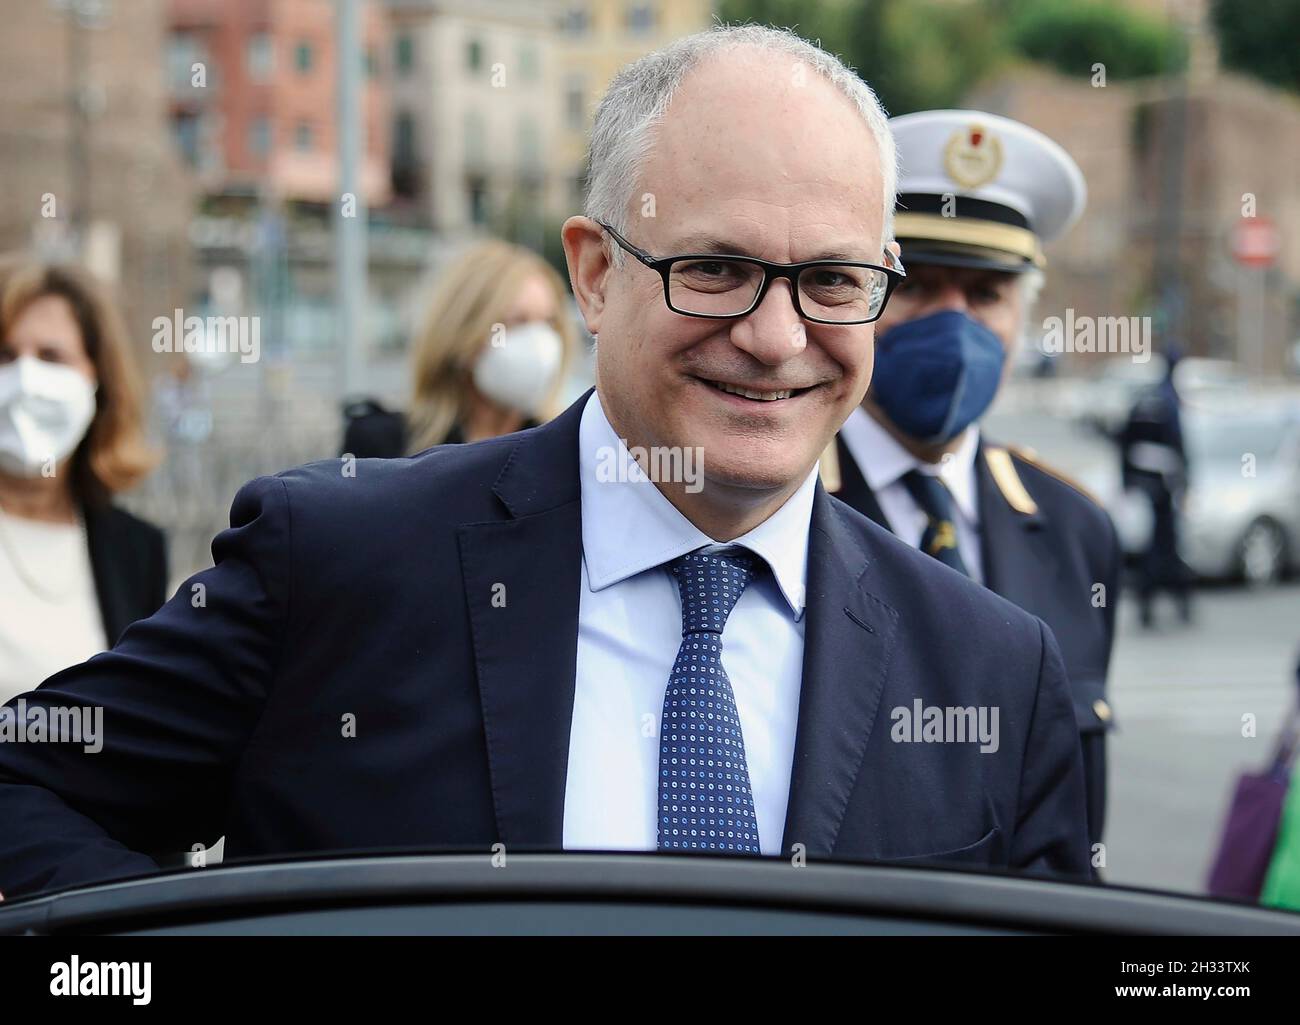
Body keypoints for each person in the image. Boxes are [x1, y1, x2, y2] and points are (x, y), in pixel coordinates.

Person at [0, 26, 1089, 901]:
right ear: (596, 273)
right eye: (715, 268)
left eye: (834, 280)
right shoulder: (336, 564)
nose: (774, 333)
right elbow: (27, 786)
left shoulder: (993, 668)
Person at [824, 111, 1120, 852]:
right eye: (918, 284)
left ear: (1025, 312)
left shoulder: (1074, 529)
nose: (954, 324)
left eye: (986, 294)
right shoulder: (779, 502)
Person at [0, 256, 167, 705]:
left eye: (51, 356)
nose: (25, 379)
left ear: (98, 379)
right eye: (5, 355)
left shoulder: (135, 549)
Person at [341, 240, 578, 457]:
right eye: (517, 321)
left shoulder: (562, 452)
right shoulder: (384, 445)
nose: (539, 341)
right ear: (463, 331)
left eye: (549, 322)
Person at [1118, 346, 1192, 627]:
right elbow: (1179, 446)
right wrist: (1185, 484)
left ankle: (1150, 606)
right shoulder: (1168, 400)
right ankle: (1177, 604)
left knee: (1153, 548)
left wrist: (1126, 481)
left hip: (1143, 485)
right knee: (1166, 547)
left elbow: (1123, 443)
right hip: (1163, 488)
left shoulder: (1144, 400)